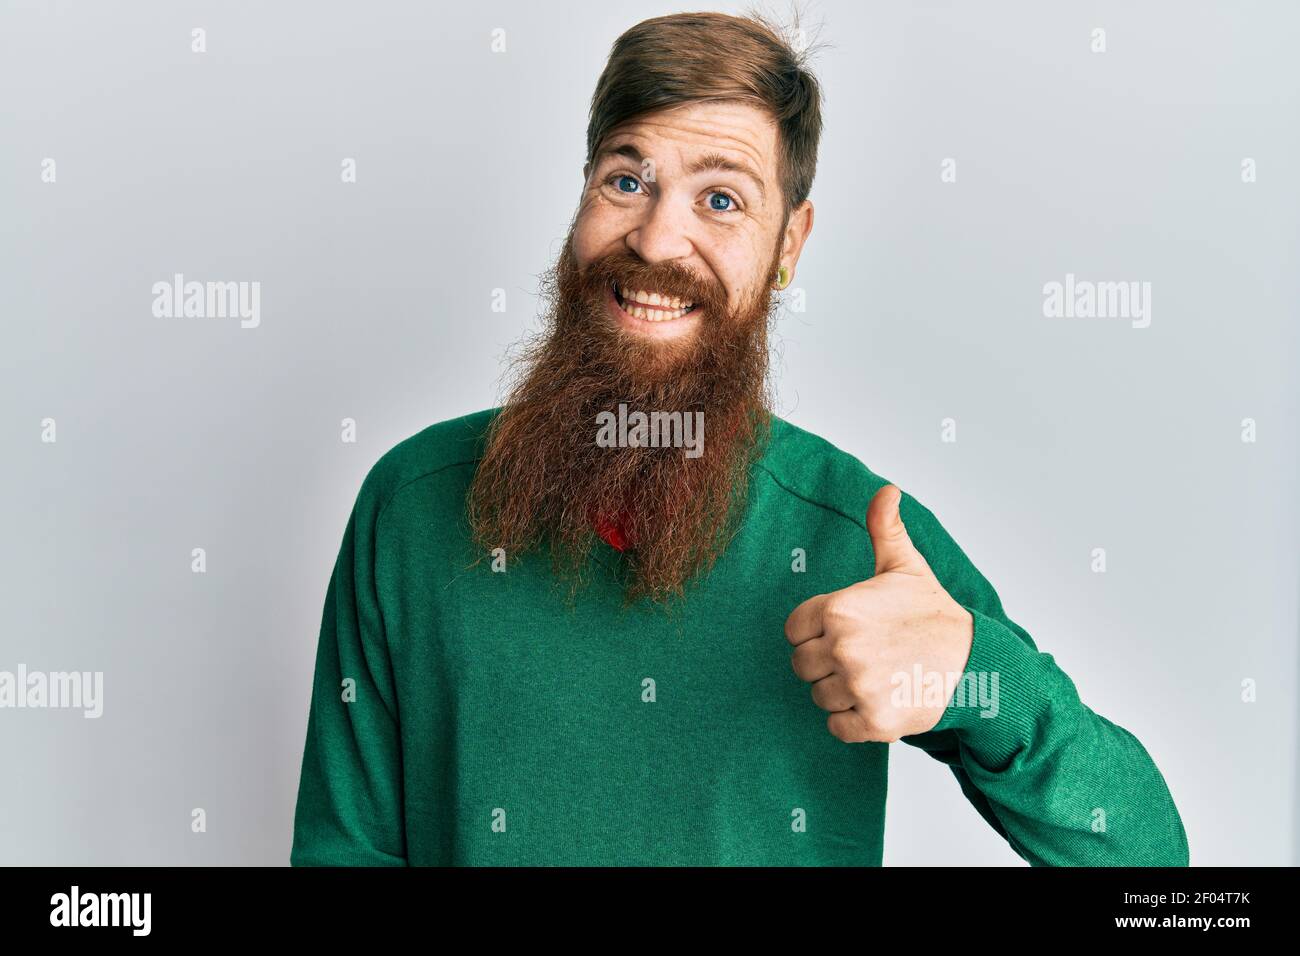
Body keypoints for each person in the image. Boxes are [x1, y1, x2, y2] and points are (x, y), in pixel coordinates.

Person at [290, 10, 1188, 866]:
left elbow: (1148, 857)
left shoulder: (854, 535)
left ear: (789, 244)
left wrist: (975, 675)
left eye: (720, 198)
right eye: (626, 179)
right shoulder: (410, 506)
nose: (655, 238)